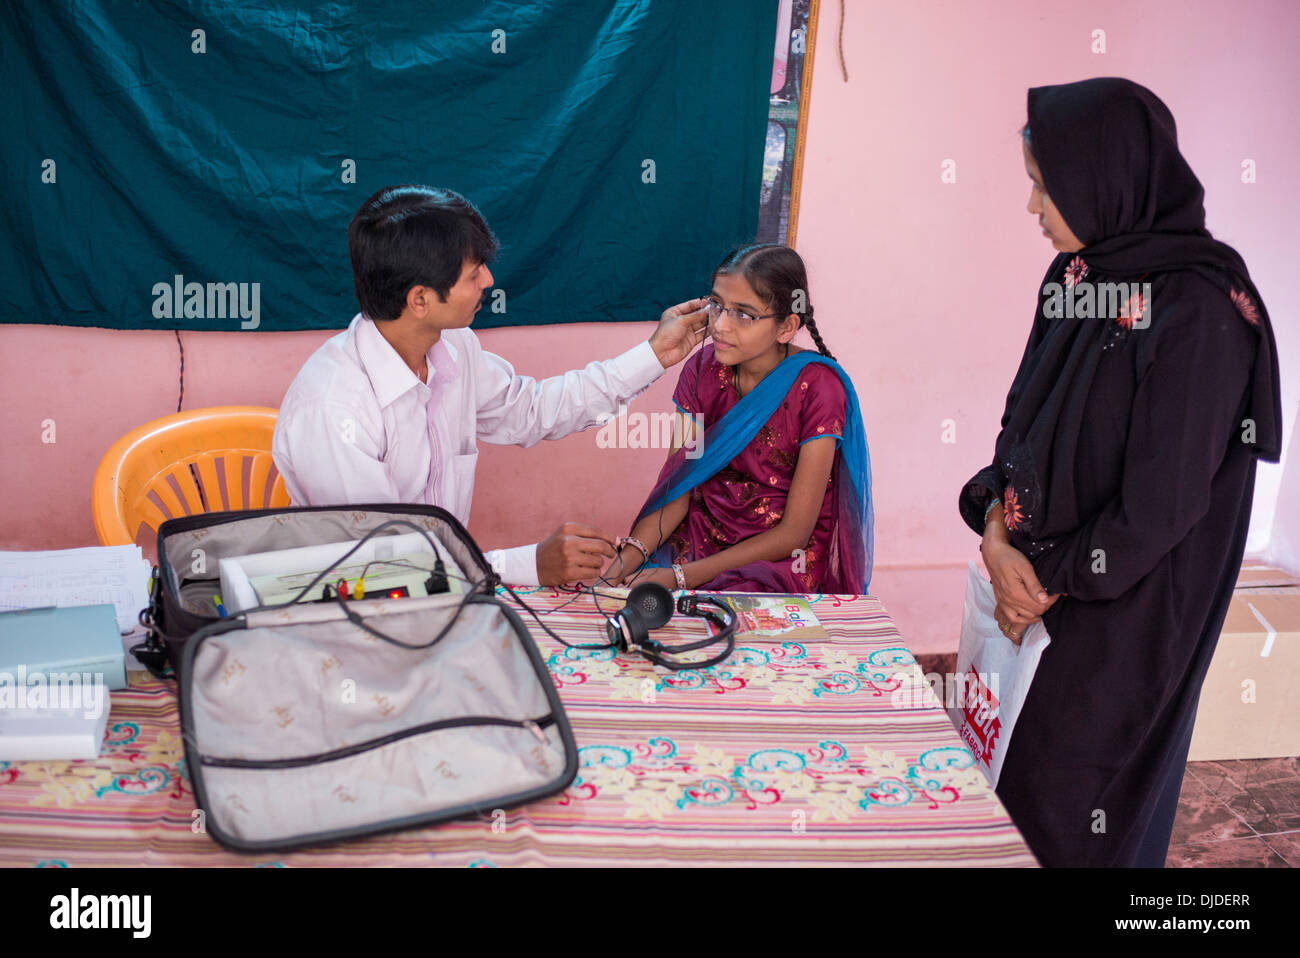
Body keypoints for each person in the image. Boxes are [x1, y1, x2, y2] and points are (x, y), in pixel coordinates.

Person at [958, 78, 1282, 867]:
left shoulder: (1197, 313)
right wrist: (1000, 538)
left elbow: (1158, 510)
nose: (1034, 209)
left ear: (1108, 182)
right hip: (1033, 584)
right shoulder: (1079, 277)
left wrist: (1037, 578)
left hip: (1125, 612)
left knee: (1070, 801)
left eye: (1046, 188)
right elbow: (1021, 430)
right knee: (1001, 781)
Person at [272, 185, 708, 586]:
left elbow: (533, 410)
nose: (489, 281)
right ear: (420, 299)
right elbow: (383, 569)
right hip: (349, 608)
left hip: (438, 596)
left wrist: (655, 354)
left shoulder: (454, 347)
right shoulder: (334, 409)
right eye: (473, 271)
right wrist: (526, 565)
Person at [605, 243, 872, 594]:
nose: (720, 326)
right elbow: (678, 489)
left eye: (743, 314)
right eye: (716, 306)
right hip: (699, 538)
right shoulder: (701, 371)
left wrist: (682, 577)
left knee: (733, 627)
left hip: (777, 559)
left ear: (787, 326)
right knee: (639, 611)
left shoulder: (819, 387)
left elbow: (795, 532)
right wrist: (618, 569)